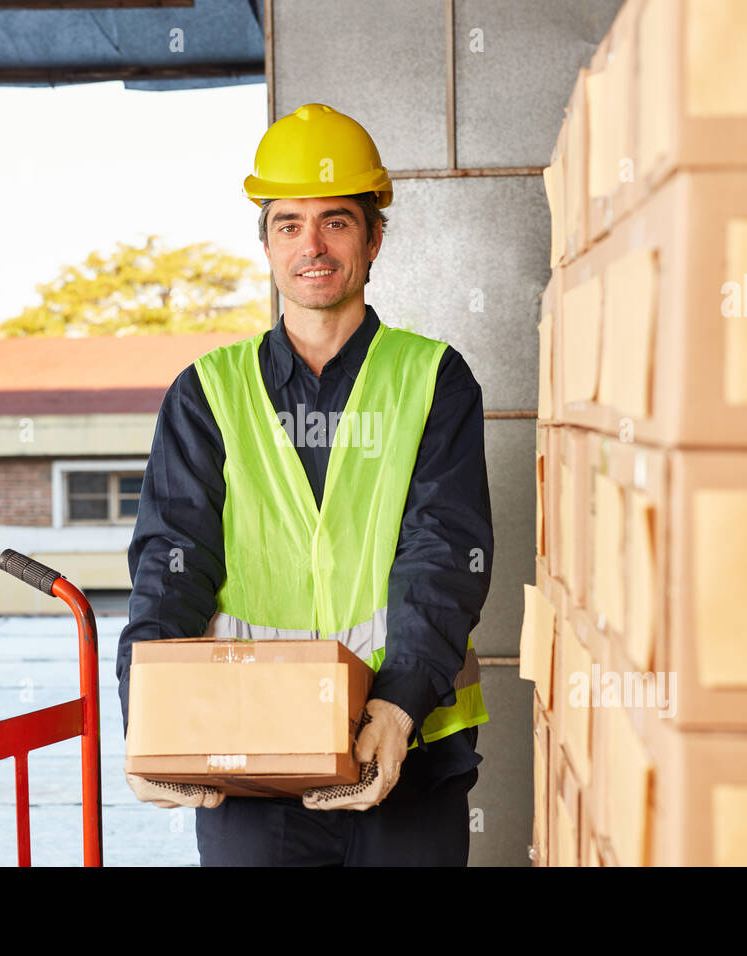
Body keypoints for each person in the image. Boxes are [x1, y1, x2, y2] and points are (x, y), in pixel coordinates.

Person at [116, 103, 493, 866]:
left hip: (404, 750)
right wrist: (147, 708)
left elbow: (444, 551)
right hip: (251, 760)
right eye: (288, 224)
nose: (311, 246)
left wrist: (396, 705)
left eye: (336, 222)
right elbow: (172, 561)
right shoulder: (207, 392)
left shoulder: (432, 379)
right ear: (265, 243)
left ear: (374, 237)